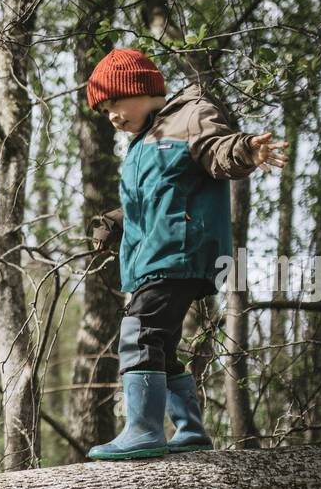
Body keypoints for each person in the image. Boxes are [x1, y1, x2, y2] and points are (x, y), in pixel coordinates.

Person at [84, 48, 289, 460]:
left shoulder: (190, 115)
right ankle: (190, 429)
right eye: (104, 111)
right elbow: (154, 198)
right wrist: (113, 222)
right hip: (154, 259)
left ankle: (143, 430)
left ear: (140, 90)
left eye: (115, 104)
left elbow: (218, 149)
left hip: (178, 252)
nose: (112, 117)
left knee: (139, 333)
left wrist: (248, 150)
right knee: (159, 344)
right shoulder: (141, 145)